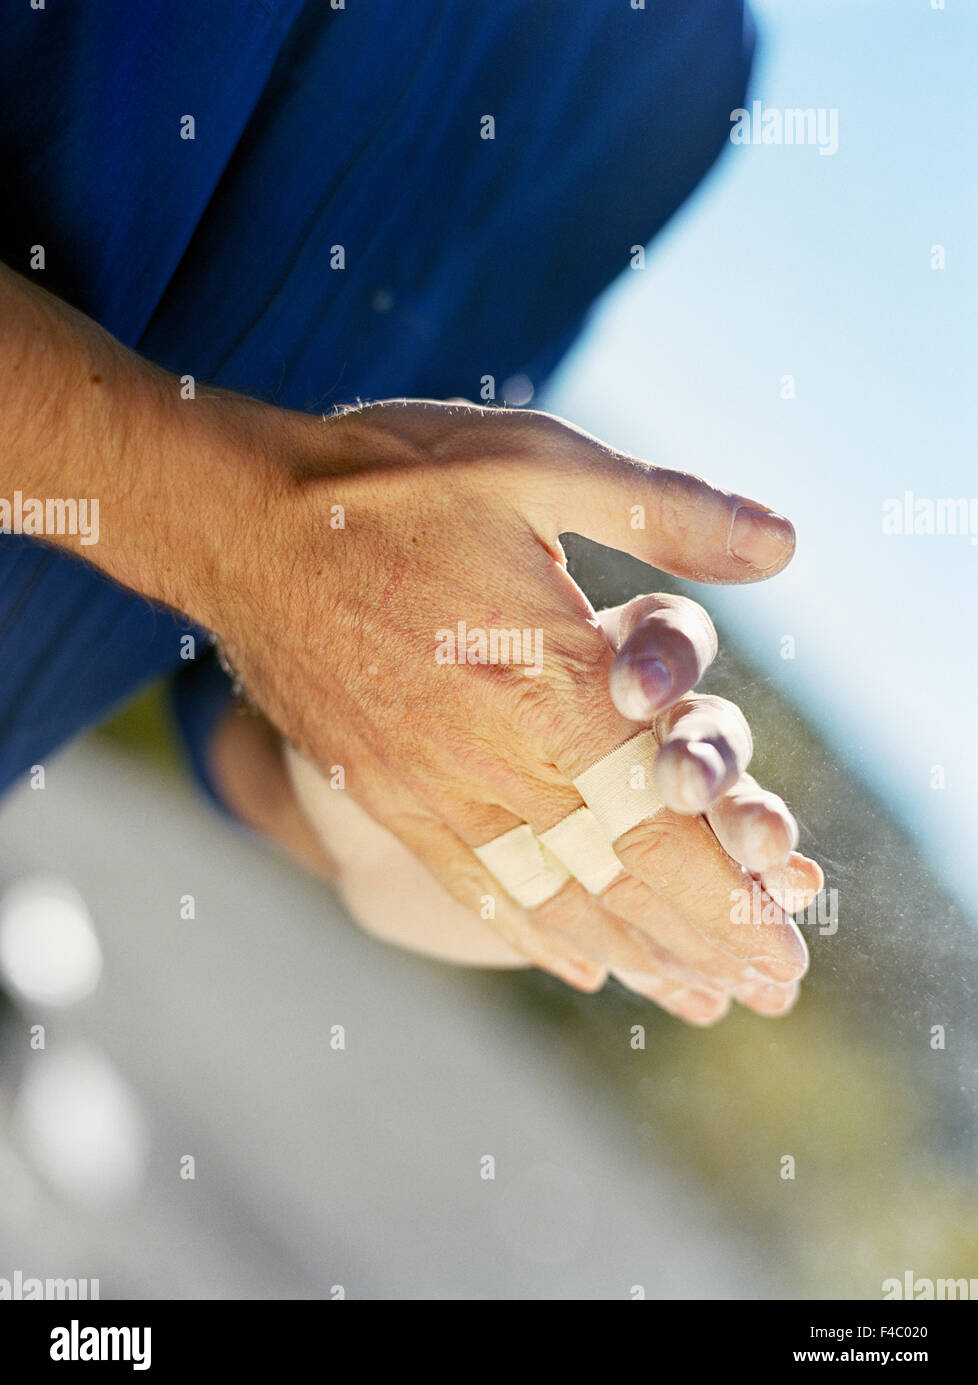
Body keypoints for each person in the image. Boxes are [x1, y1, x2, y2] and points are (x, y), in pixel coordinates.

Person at [0, 0, 820, 1023]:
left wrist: (391, 793)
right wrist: (240, 532)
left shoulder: (680, 78)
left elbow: (268, 641)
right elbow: (259, 549)